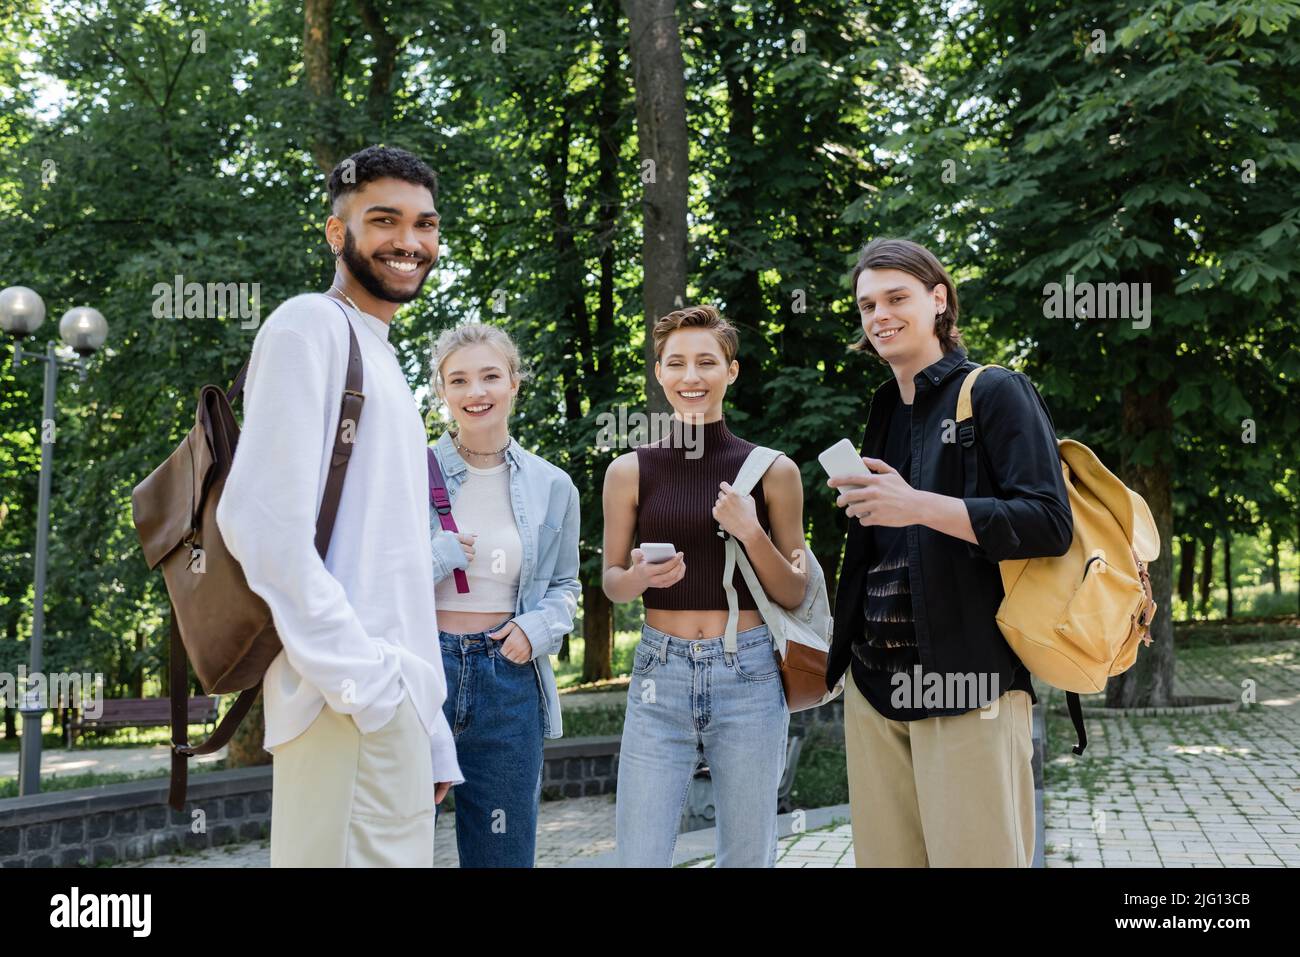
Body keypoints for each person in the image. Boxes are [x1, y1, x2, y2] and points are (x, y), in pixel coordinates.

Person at [217, 145, 462, 867]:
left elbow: (394, 566)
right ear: (336, 232)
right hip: (346, 699)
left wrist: (424, 722)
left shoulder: (379, 353)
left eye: (425, 224)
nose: (409, 242)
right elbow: (260, 525)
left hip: (385, 702)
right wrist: (369, 686)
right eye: (383, 220)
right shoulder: (308, 326)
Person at [825, 237, 1072, 867]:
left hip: (968, 682)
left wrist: (916, 505)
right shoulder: (884, 408)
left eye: (896, 297)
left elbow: (1048, 522)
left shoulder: (995, 391)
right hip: (875, 685)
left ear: (939, 300)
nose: (879, 314)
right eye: (866, 304)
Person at [602, 304, 808, 867]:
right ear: (660, 373)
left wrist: (750, 532)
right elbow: (612, 583)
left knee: (746, 856)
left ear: (731, 371)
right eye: (676, 363)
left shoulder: (774, 472)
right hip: (657, 674)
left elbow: (794, 592)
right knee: (639, 855)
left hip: (749, 672)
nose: (691, 377)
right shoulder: (628, 471)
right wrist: (639, 577)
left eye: (705, 362)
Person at [427, 323, 580, 867]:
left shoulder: (553, 485)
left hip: (509, 678)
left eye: (490, 376)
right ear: (441, 391)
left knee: (504, 854)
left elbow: (565, 587)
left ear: (514, 383)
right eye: (459, 380)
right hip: (422, 673)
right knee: (398, 846)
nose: (476, 392)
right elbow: (377, 580)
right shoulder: (405, 475)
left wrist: (535, 631)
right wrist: (438, 556)